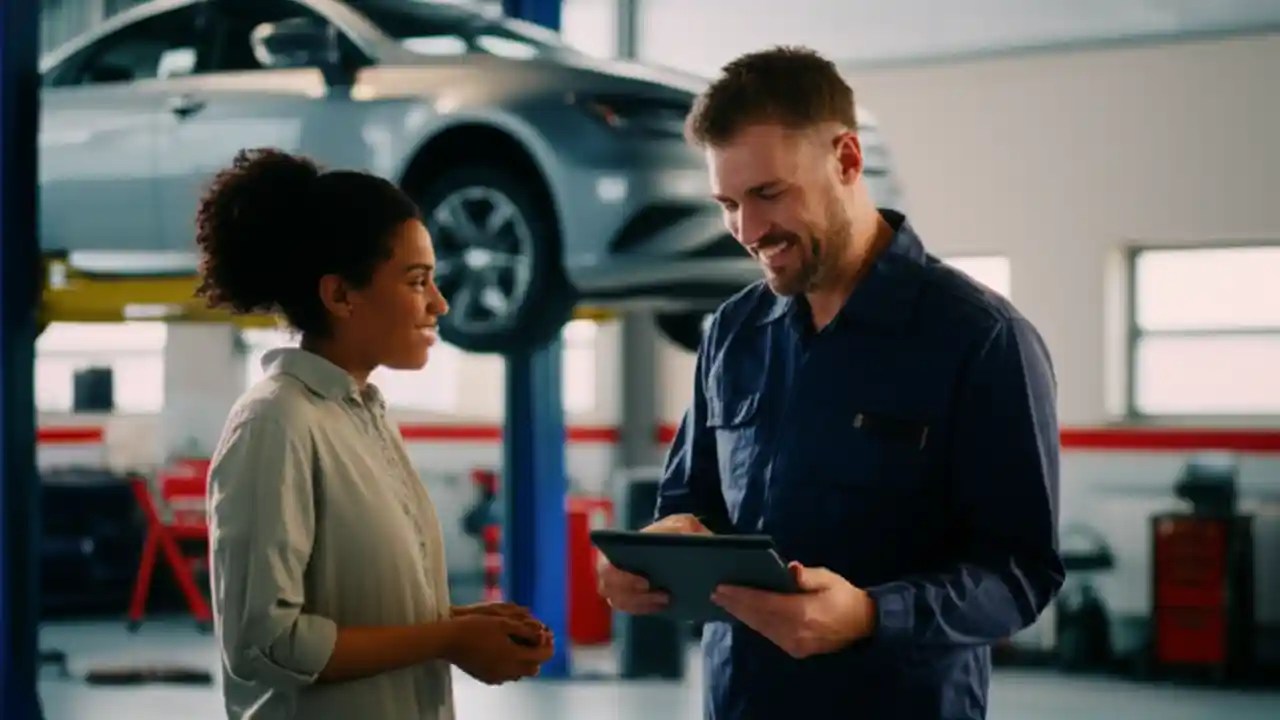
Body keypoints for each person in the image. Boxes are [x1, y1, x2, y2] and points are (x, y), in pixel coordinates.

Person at [597, 47, 1064, 719]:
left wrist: (875, 615)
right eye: (728, 203)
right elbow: (692, 503)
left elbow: (1020, 572)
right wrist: (657, 555)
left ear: (846, 159)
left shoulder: (981, 339)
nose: (748, 232)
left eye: (768, 194)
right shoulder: (732, 332)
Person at [197, 148, 555, 720]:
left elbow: (354, 610)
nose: (439, 303)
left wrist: (461, 624)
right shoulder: (275, 423)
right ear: (340, 295)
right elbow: (265, 644)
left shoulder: (364, 415)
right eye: (417, 281)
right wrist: (445, 641)